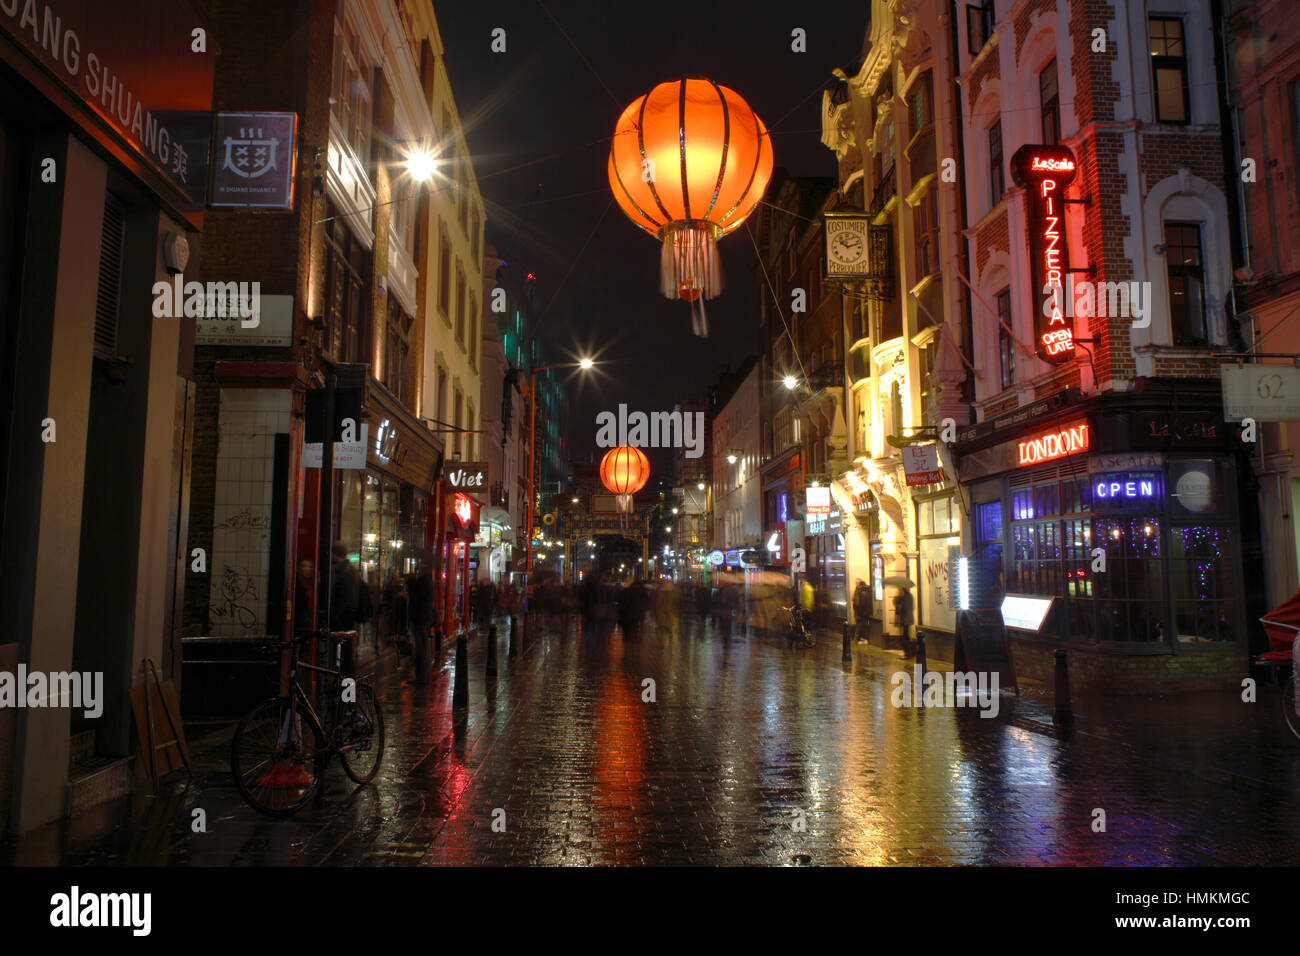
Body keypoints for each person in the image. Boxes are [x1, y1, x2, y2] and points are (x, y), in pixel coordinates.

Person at [330, 542, 360, 677]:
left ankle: (346, 691)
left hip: (343, 619)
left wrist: (336, 616)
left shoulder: (342, 570)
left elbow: (344, 597)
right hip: (348, 617)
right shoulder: (350, 569)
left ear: (334, 554)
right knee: (346, 654)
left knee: (344, 655)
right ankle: (346, 690)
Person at [407, 557, 434, 683]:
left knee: (420, 647)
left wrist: (411, 583)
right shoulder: (427, 581)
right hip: (423, 617)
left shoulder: (423, 582)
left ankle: (421, 676)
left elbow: (417, 598)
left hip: (420, 618)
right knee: (421, 645)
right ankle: (422, 675)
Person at [853, 579, 872, 643]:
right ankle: (862, 639)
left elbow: (861, 604)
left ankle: (859, 639)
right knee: (863, 625)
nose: (856, 585)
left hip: (862, 613)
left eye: (857, 583)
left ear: (860, 585)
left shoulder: (862, 592)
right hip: (865, 612)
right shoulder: (866, 591)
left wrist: (858, 613)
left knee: (861, 626)